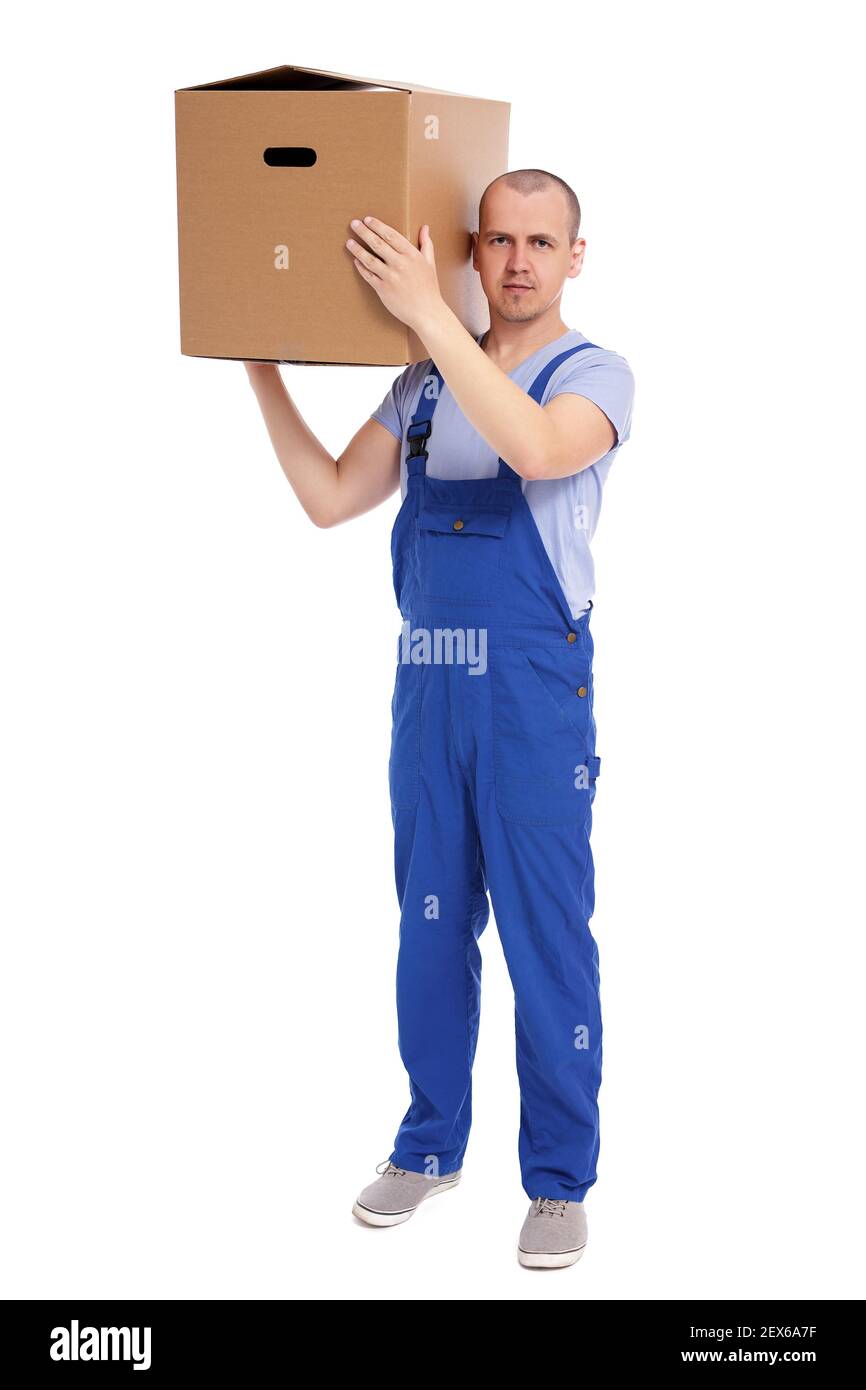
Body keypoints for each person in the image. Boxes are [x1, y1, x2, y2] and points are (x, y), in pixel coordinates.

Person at [245, 169, 635, 1269]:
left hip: (528, 702)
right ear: (471, 250)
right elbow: (328, 496)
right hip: (426, 689)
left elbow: (536, 448)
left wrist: (428, 317)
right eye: (498, 239)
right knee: (427, 925)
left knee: (544, 935)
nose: (516, 261)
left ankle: (558, 1178)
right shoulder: (421, 385)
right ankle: (427, 1147)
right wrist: (261, 369)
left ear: (573, 256)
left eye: (539, 242)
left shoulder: (592, 374)